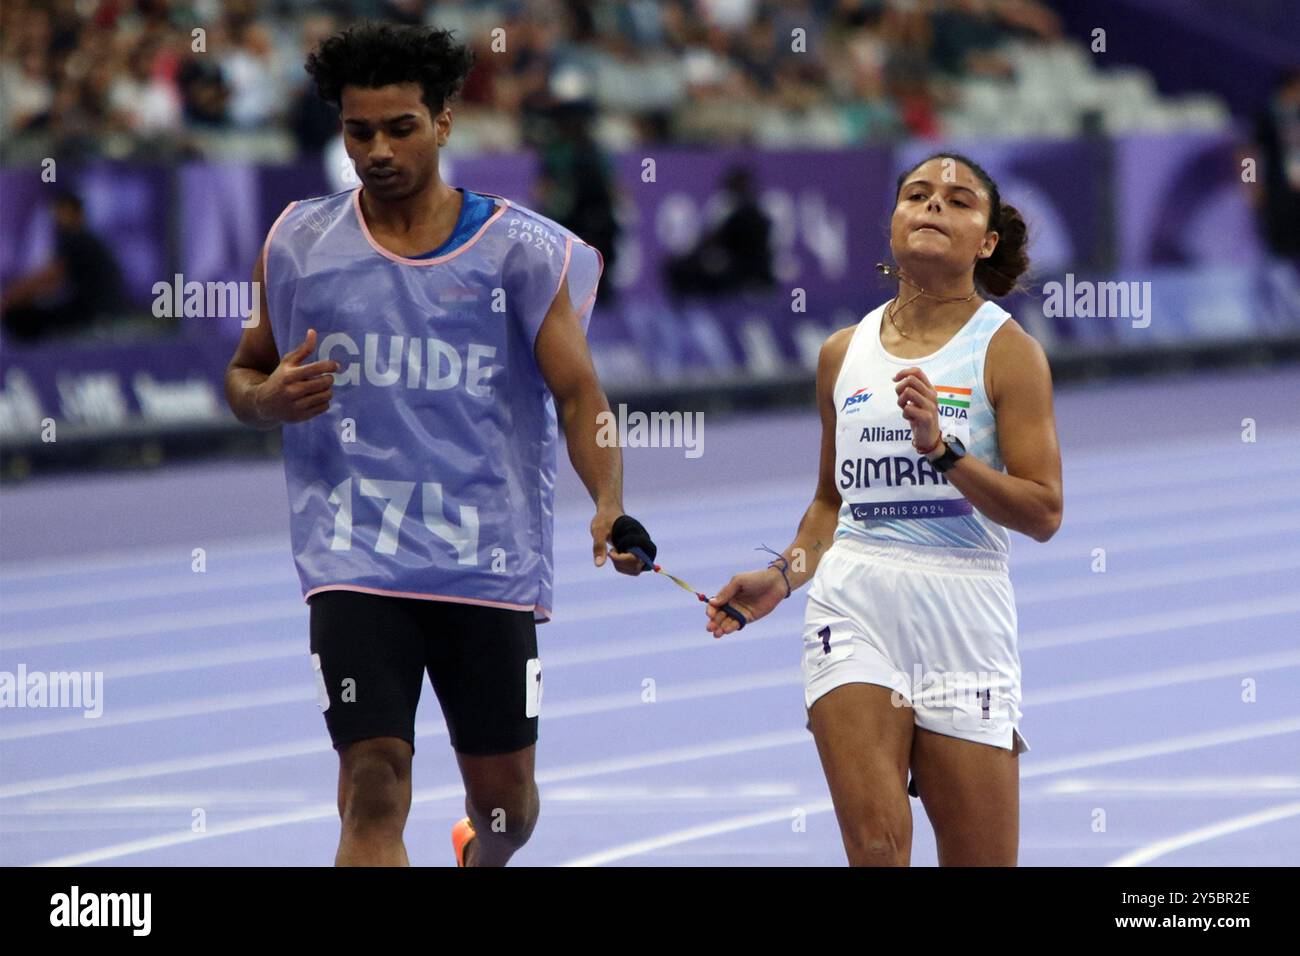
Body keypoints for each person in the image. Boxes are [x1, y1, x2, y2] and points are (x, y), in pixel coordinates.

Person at [224, 22, 643, 867]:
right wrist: (265, 399)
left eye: (399, 128)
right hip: (355, 557)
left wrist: (608, 503)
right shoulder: (298, 242)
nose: (376, 150)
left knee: (507, 811)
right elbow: (243, 374)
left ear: (445, 121)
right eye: (358, 131)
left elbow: (579, 394)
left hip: (484, 561)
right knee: (373, 784)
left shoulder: (520, 252)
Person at [705, 153, 1062, 866]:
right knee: (875, 848)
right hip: (857, 599)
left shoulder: (1007, 352)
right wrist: (780, 576)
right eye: (917, 194)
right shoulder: (843, 353)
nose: (934, 206)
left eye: (959, 201)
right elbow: (830, 503)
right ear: (894, 220)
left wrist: (947, 454)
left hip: (964, 608)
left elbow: (1044, 511)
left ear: (986, 241)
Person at [1, 189, 125, 344]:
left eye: (61, 210)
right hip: (100, 311)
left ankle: (29, 363)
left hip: (94, 314)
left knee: (19, 316)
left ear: (75, 213)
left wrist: (8, 298)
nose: (57, 217)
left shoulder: (75, 238)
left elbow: (49, 279)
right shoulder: (85, 237)